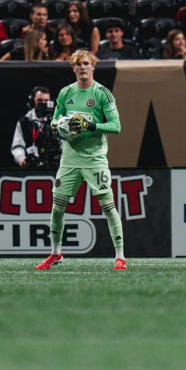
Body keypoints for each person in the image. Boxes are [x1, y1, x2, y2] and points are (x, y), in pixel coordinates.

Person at [36, 49, 125, 270]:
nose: (83, 67)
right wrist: (61, 126)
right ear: (73, 68)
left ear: (93, 66)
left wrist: (90, 125)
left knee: (108, 207)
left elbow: (116, 127)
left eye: (86, 63)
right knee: (57, 208)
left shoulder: (102, 93)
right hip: (69, 160)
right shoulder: (66, 93)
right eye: (78, 64)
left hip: (95, 159)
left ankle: (120, 256)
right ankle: (56, 253)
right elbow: (54, 122)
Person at [11, 86, 61, 167]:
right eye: (40, 100)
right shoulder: (24, 122)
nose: (43, 104)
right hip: (32, 168)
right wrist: (21, 159)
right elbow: (17, 146)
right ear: (32, 101)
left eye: (46, 101)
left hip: (55, 166)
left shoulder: (57, 121)